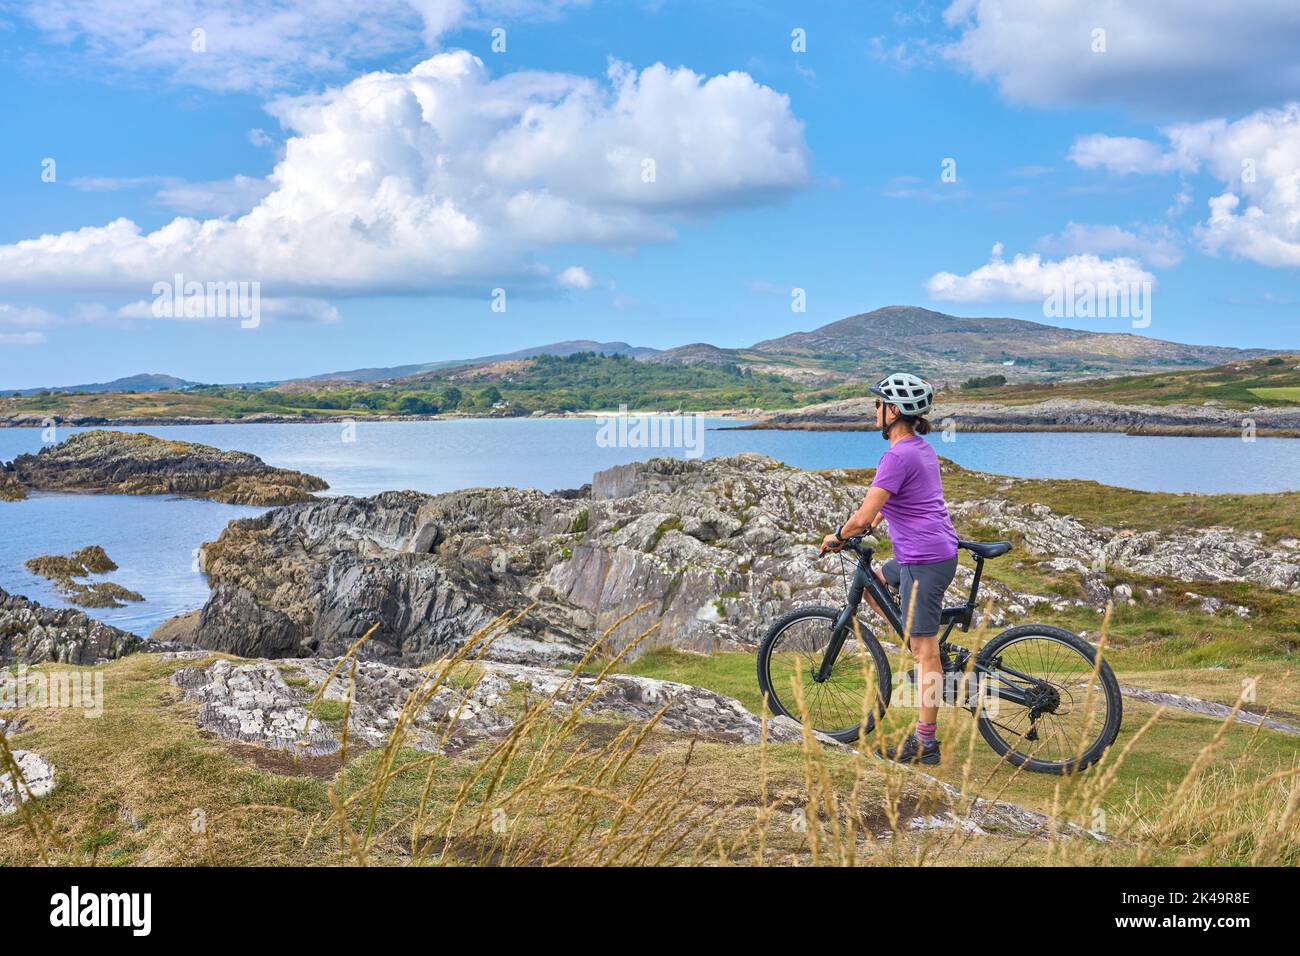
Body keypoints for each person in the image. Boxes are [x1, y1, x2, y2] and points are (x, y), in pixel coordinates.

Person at [820, 372, 959, 765]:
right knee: (875, 584)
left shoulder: (897, 455)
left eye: (878, 404)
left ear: (893, 411)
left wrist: (838, 536)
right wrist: (877, 517)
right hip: (936, 553)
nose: (874, 410)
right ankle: (922, 648)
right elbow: (903, 500)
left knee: (924, 649)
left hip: (923, 559)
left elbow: (863, 518)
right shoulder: (920, 449)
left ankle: (926, 743)